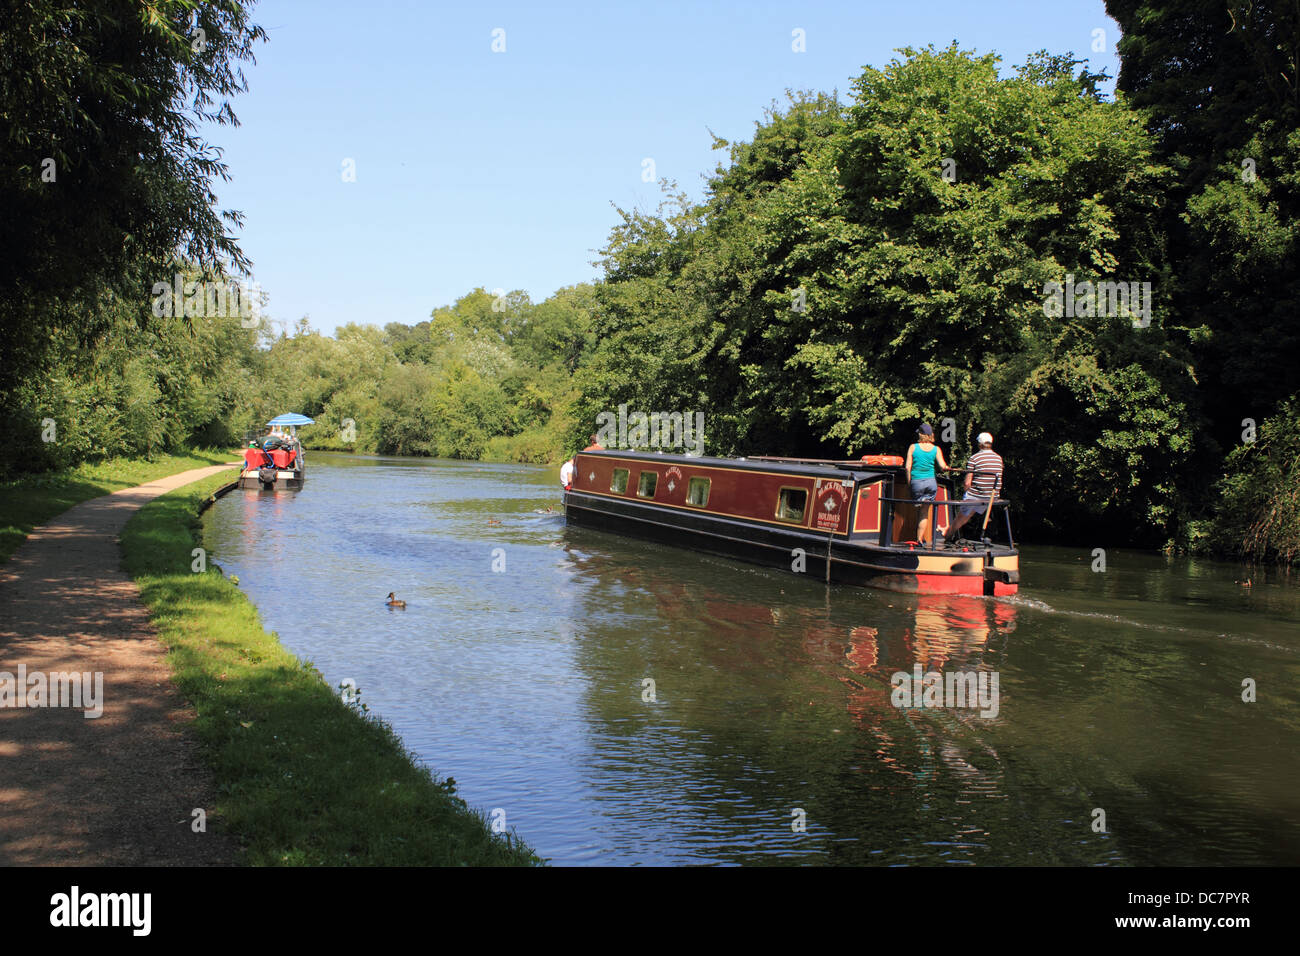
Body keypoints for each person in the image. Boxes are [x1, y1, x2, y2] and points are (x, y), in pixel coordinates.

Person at [946, 432, 1004, 543]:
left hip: (977, 496)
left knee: (960, 518)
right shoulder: (998, 458)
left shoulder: (975, 458)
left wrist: (965, 493)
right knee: (969, 514)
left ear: (980, 444)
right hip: (992, 496)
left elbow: (967, 483)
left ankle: (946, 538)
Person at [905, 423, 949, 547]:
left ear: (920, 434)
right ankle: (919, 539)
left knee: (917, 509)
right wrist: (948, 468)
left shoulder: (913, 447)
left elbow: (907, 468)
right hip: (931, 482)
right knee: (924, 512)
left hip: (916, 482)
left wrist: (909, 483)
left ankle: (917, 539)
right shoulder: (936, 449)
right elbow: (942, 466)